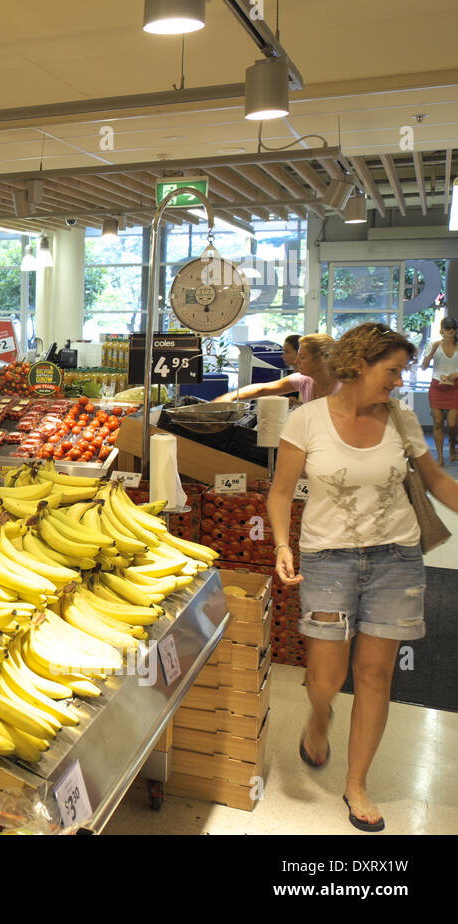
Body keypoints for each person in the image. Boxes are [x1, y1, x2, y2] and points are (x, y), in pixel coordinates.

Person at [268, 322, 458, 833]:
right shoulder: (306, 421)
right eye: (392, 370)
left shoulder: (400, 419)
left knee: (376, 675)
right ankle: (317, 713)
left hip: (397, 558)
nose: (399, 381)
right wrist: (284, 545)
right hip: (328, 559)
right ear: (359, 365)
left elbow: (437, 479)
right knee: (326, 679)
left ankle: (357, 784)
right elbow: (282, 491)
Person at [213, 333, 338, 405]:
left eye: (303, 357)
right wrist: (230, 396)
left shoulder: (344, 388)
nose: (296, 361)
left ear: (321, 358)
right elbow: (262, 389)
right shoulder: (304, 380)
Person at [419, 317, 458, 464]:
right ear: (442, 331)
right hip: (437, 387)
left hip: (455, 387)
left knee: (453, 424)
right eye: (448, 329)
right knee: (437, 422)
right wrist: (431, 353)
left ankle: (453, 445)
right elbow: (423, 367)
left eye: (454, 329)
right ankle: (440, 456)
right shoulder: (434, 345)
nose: (451, 332)